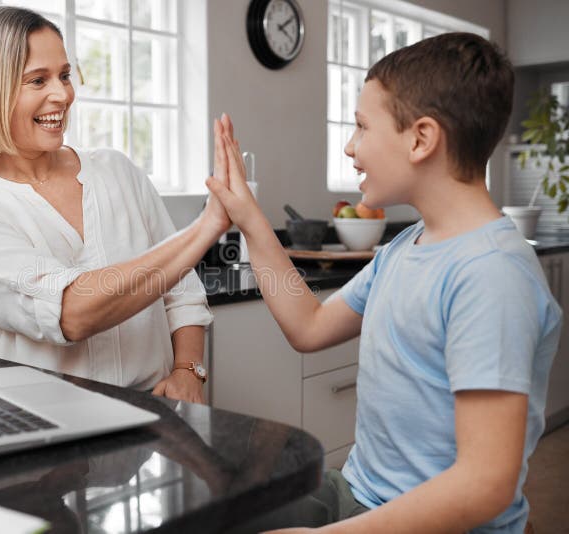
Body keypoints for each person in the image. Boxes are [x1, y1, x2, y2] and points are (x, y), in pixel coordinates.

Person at [206, 33, 562, 533]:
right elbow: (308, 325)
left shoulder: (491, 276)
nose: (351, 146)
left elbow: (485, 483)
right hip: (361, 494)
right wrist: (249, 218)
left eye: (361, 126)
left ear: (421, 139)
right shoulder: (405, 246)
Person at [0, 6, 233, 403]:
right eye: (38, 80)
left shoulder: (118, 172)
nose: (63, 94)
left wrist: (189, 371)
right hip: (46, 436)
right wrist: (206, 227)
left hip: (155, 417)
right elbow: (72, 311)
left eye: (65, 75)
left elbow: (182, 289)